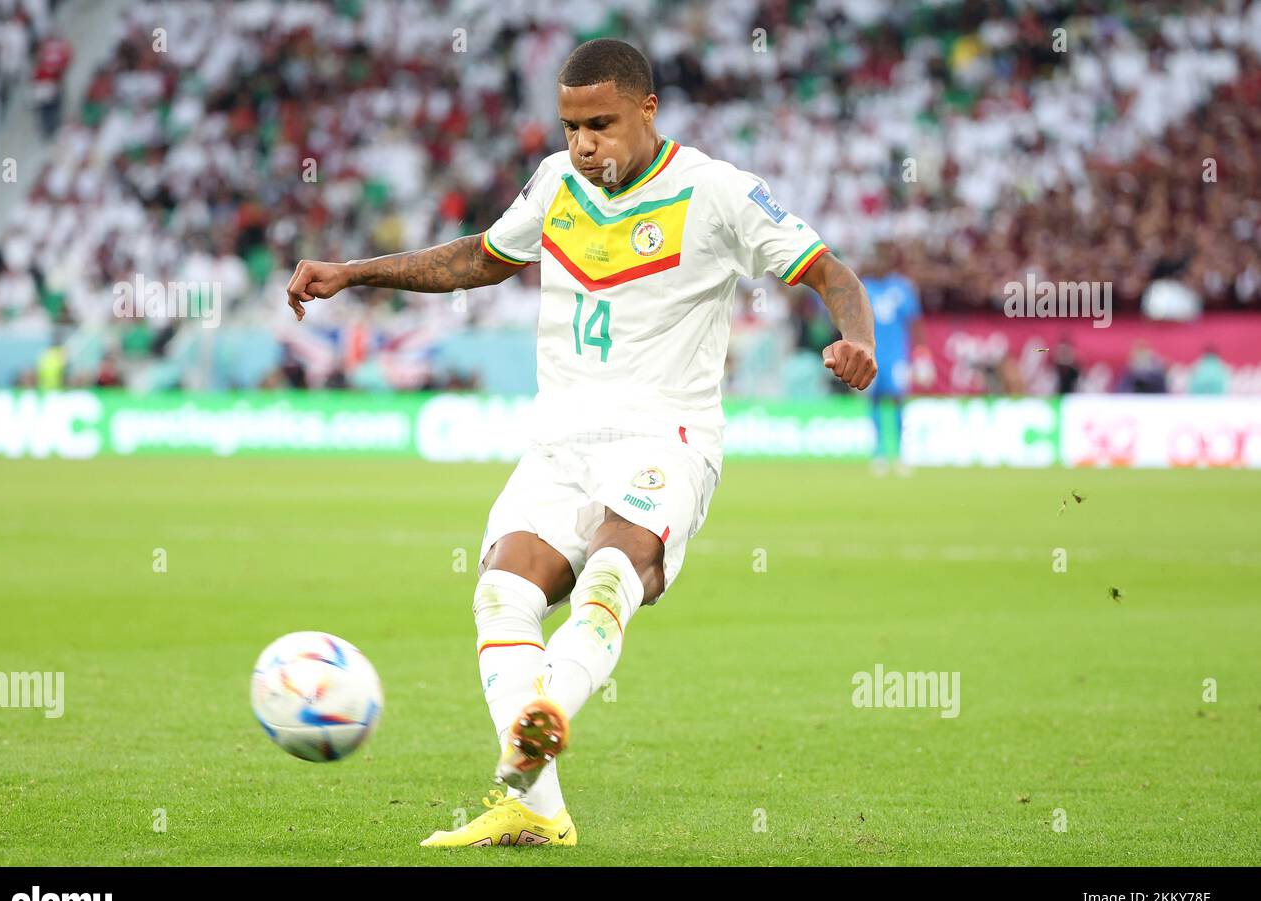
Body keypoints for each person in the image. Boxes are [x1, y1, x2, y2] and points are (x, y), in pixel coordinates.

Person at [286, 38, 876, 847]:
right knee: (501, 589)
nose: (584, 142)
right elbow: (478, 260)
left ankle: (549, 709)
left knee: (612, 564)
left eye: (600, 123)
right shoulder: (558, 183)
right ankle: (538, 804)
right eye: (570, 126)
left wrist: (856, 340)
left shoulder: (716, 192)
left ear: (647, 110)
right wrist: (354, 271)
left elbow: (830, 274)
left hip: (665, 434)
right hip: (560, 440)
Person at [860, 243, 924, 474]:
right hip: (870, 357)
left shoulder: (902, 287)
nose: (879, 263)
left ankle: (899, 454)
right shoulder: (864, 287)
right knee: (874, 401)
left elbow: (914, 323)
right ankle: (879, 453)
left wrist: (920, 354)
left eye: (883, 258)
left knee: (897, 401)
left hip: (897, 357)